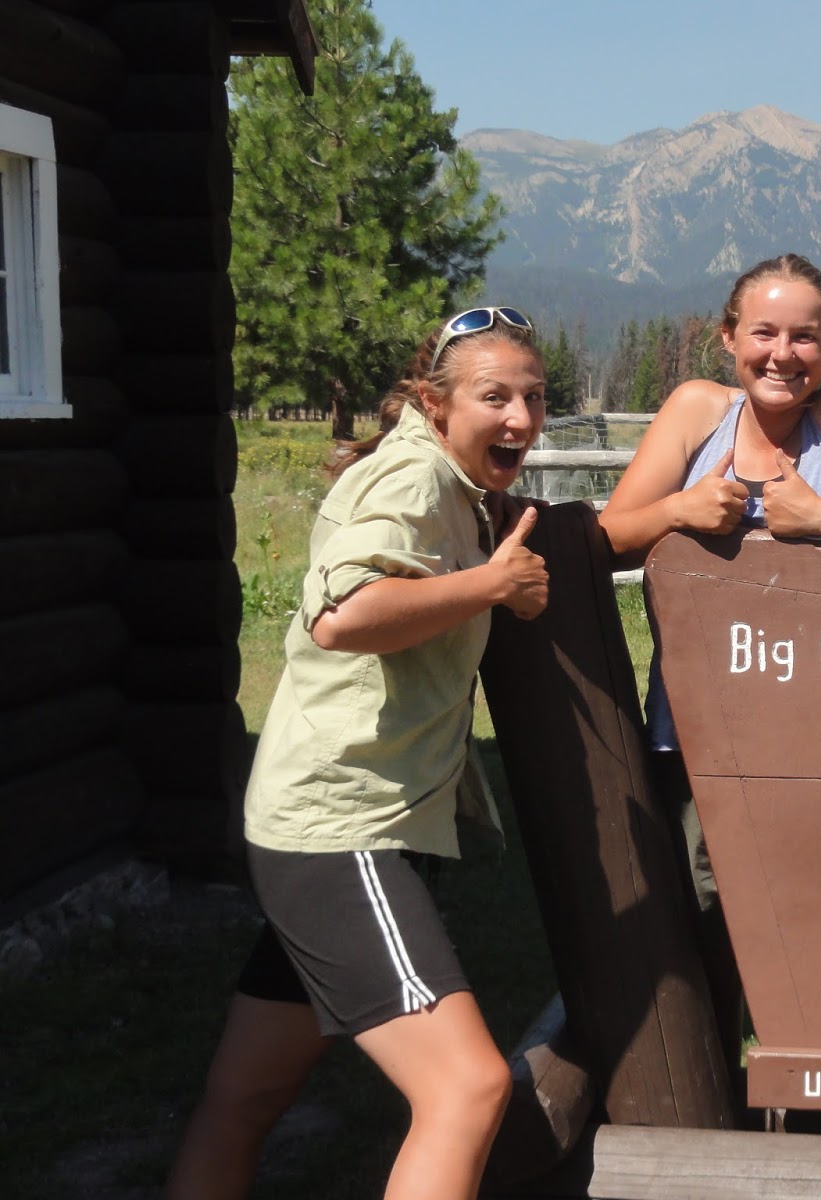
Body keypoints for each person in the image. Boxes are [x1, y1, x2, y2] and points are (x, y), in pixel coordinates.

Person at [167, 306, 549, 1200]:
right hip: (345, 834)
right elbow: (345, 617)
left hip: (326, 822)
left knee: (247, 1093)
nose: (521, 419)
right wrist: (490, 583)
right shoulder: (413, 479)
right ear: (434, 401)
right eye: (495, 396)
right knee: (467, 1087)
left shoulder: (454, 486)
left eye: (534, 397)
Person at [596, 252, 821, 1078]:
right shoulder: (697, 413)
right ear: (728, 338)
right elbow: (608, 533)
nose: (782, 353)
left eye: (806, 337)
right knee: (705, 913)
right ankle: (714, 1089)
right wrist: (680, 511)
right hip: (694, 729)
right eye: (763, 332)